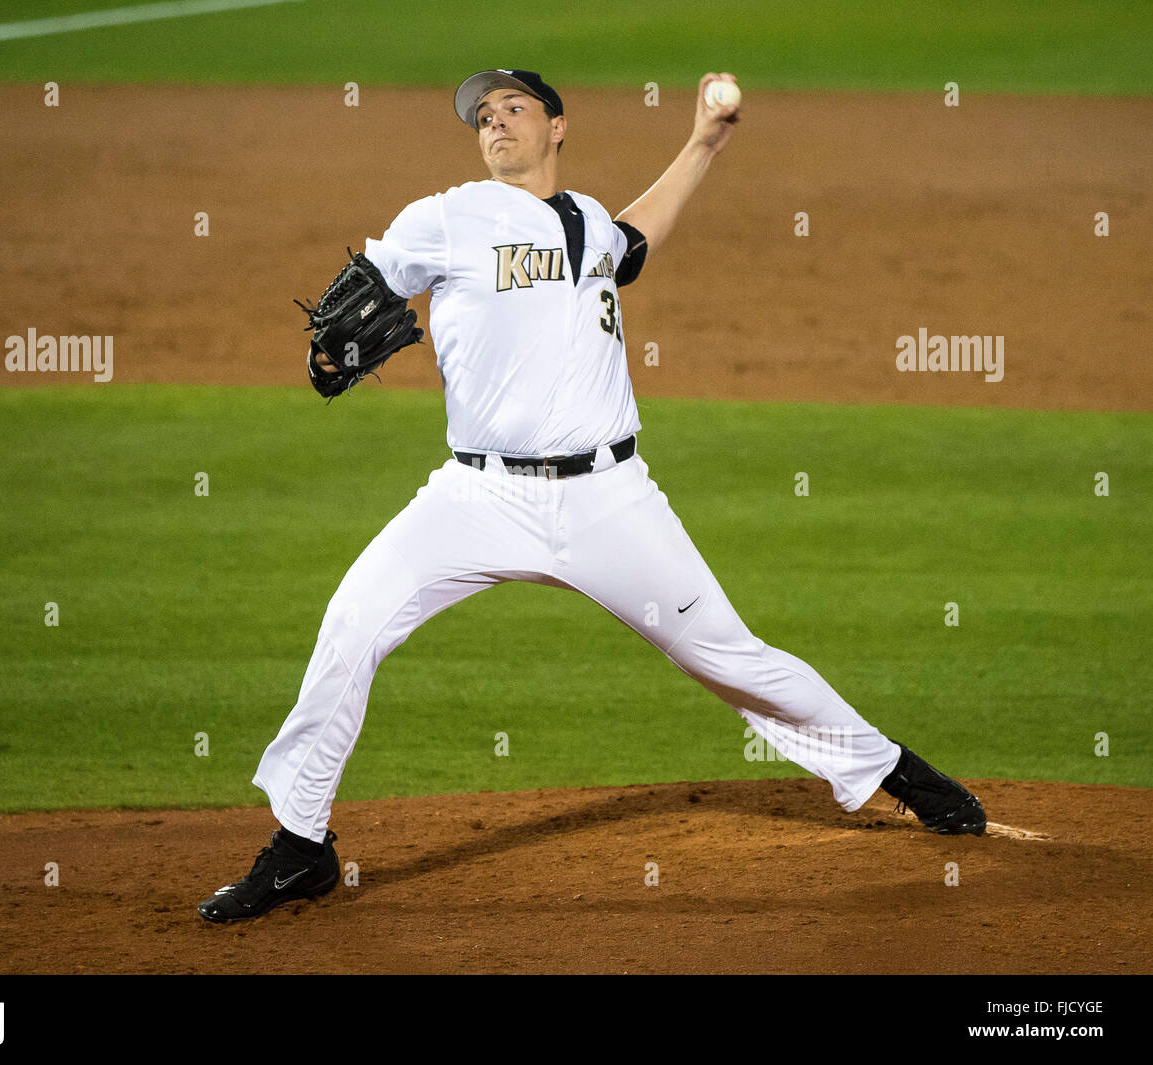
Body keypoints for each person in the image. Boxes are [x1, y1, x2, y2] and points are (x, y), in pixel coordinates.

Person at [197, 69, 986, 924]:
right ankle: (301, 846)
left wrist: (705, 143)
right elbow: (372, 285)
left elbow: (633, 241)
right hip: (475, 499)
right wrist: (325, 356)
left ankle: (891, 770)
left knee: (727, 654)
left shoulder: (588, 223)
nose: (494, 123)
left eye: (513, 109)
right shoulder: (449, 214)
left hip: (611, 501)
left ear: (557, 126)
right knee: (352, 623)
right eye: (482, 116)